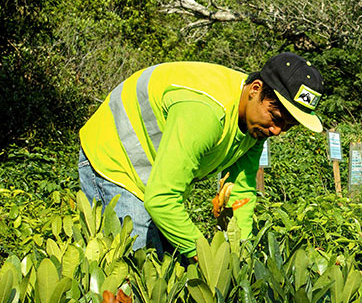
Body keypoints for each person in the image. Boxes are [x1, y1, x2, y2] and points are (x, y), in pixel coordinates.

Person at [78, 52, 324, 256]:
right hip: (114, 160)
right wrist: (206, 257)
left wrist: (241, 252)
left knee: (170, 263)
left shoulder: (255, 125)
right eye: (276, 117)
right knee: (138, 262)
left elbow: (241, 191)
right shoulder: (205, 113)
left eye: (288, 125)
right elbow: (161, 199)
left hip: (155, 176)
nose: (277, 131)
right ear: (255, 89)